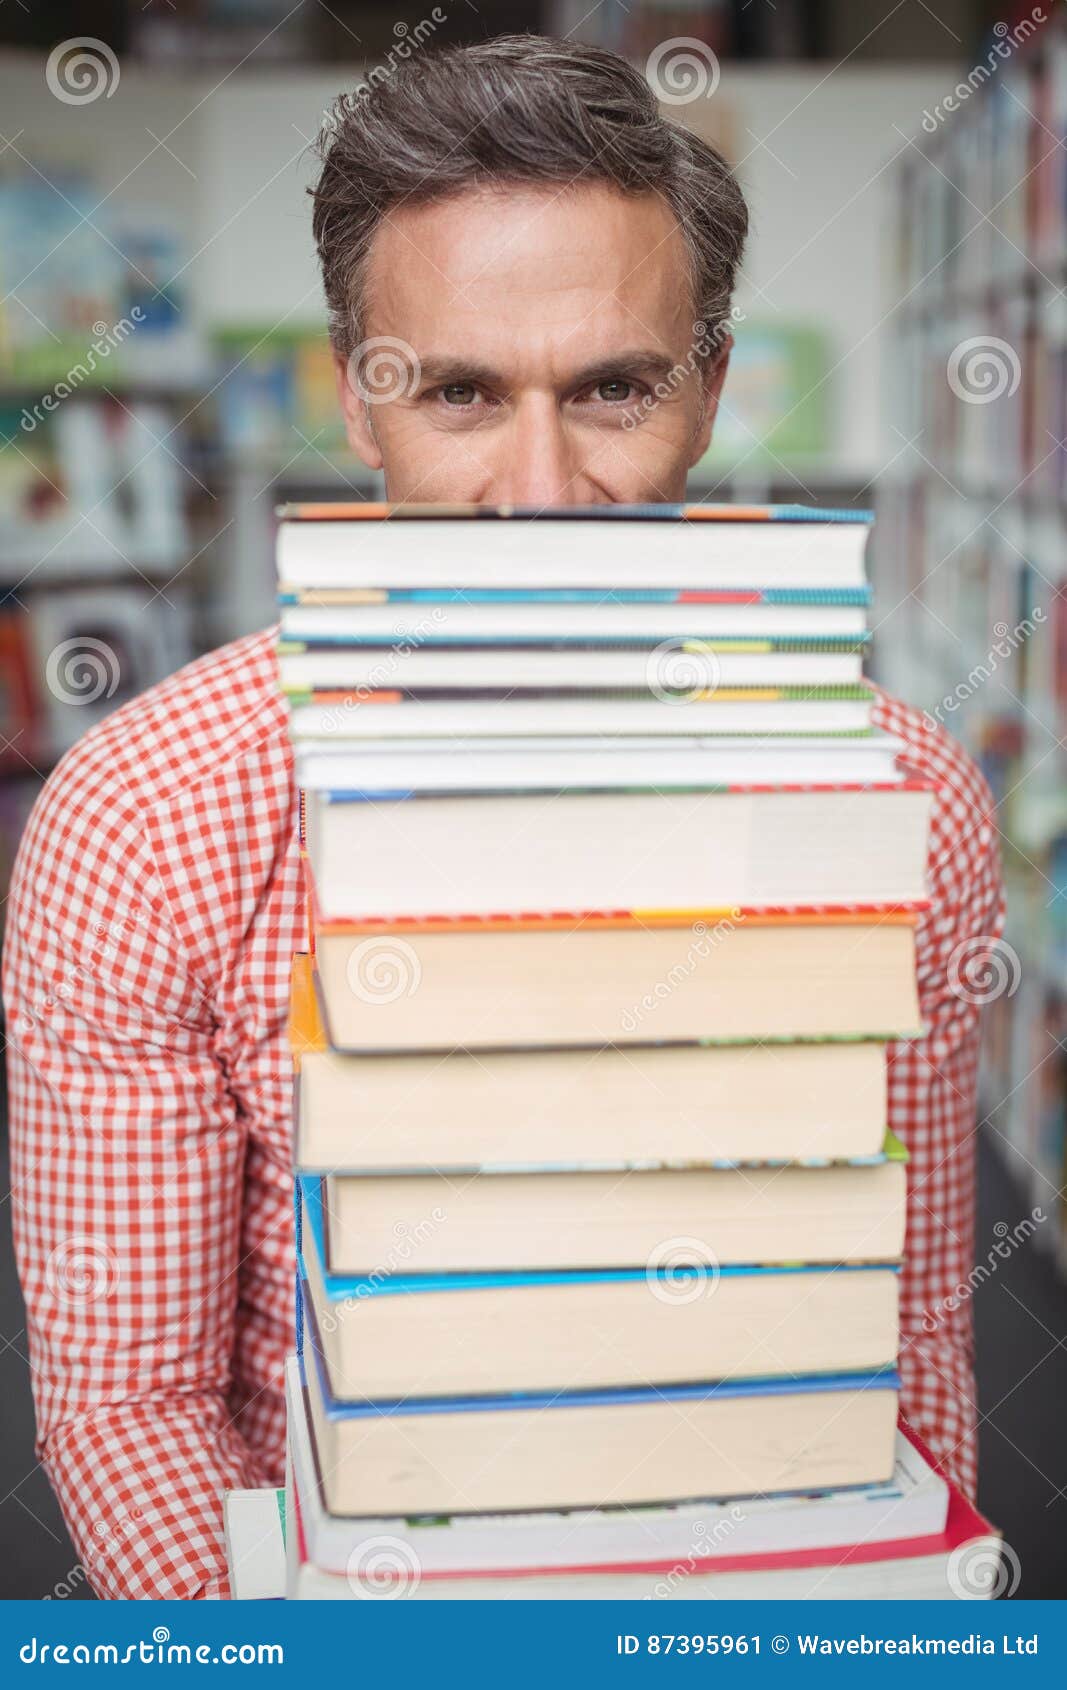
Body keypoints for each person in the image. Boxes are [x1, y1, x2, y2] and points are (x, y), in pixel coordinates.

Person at [2, 36, 1003, 1600]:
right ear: (358, 401)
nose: (540, 491)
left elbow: (913, 1326)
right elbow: (134, 1404)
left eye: (614, 387)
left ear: (713, 389)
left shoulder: (908, 808)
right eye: (461, 393)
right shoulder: (146, 817)